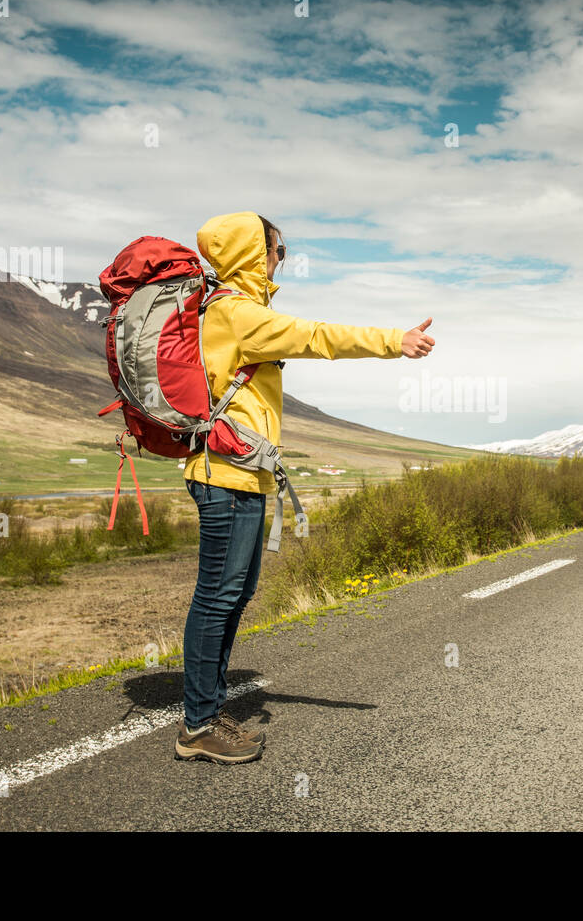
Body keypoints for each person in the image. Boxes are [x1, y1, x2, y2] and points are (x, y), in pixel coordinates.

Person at [174, 211, 435, 764]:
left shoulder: (236, 311)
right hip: (225, 478)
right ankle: (198, 724)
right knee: (217, 598)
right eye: (278, 249)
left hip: (242, 475)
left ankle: (209, 710)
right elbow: (315, 336)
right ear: (252, 252)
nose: (280, 259)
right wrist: (395, 340)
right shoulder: (236, 313)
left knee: (234, 596)